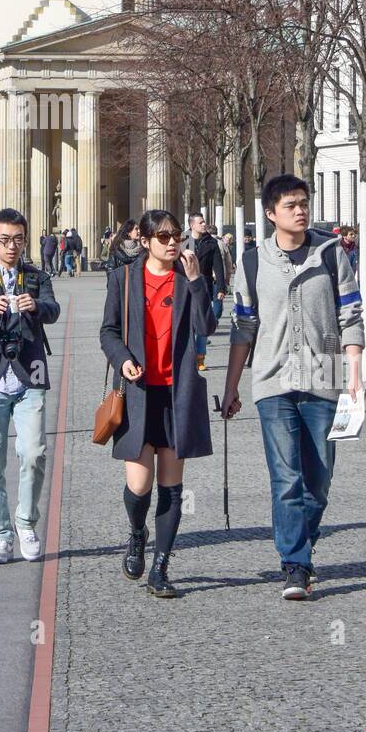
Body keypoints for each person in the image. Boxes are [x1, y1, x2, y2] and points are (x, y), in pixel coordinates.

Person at [222, 174, 363, 601]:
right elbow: (243, 327)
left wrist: (355, 373)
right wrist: (231, 388)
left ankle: (304, 535)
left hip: (325, 378)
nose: (300, 210)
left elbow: (350, 314)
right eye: (290, 205)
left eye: (303, 203)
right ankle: (296, 565)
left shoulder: (331, 253)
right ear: (270, 214)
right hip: (272, 382)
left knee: (318, 478)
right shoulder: (252, 261)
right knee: (286, 476)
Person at [100, 209, 214, 599]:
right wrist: (123, 358)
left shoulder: (188, 279)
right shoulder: (124, 278)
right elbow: (108, 330)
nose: (171, 243)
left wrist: (198, 282)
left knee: (172, 486)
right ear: (144, 240)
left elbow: (206, 326)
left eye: (176, 236)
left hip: (176, 392)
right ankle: (137, 533)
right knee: (139, 485)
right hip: (138, 392)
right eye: (163, 237)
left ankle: (161, 568)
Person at [0, 208, 60, 564]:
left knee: (34, 454)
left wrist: (36, 307)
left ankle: (26, 523)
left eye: (18, 239)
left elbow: (53, 309)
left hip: (29, 375)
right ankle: (0, 535)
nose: (12, 246)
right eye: (4, 239)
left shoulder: (36, 277)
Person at [184, 212, 227, 371]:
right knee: (187, 324)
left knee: (202, 324)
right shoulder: (183, 241)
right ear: (192, 225)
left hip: (205, 287)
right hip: (185, 287)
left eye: (204, 222)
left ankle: (200, 357)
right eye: (200, 222)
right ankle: (187, 356)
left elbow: (218, 266)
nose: (204, 225)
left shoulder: (211, 242)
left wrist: (221, 287)